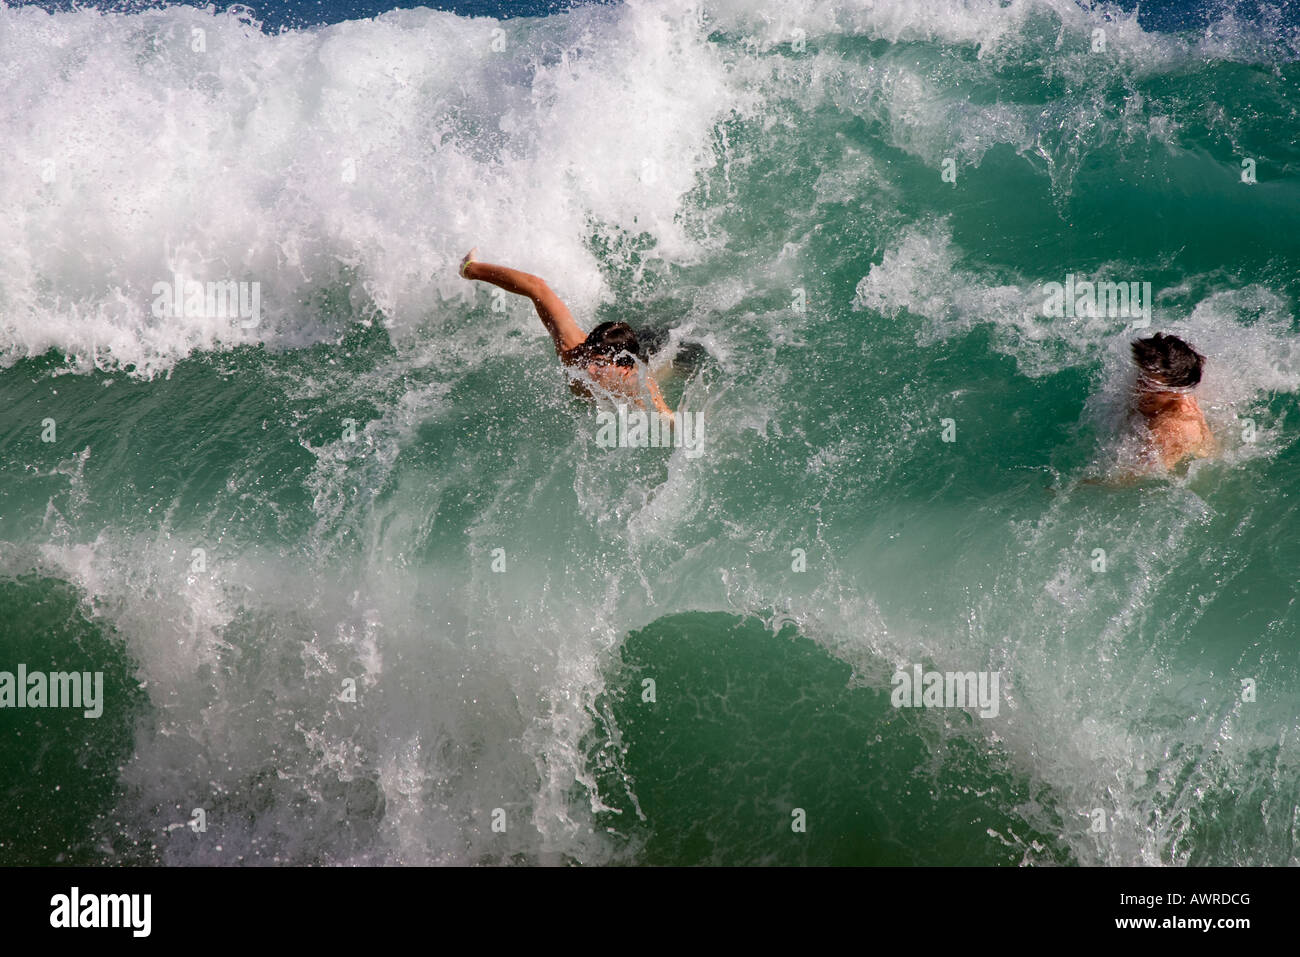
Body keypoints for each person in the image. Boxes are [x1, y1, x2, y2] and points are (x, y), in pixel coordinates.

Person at [459, 248, 673, 416]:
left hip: (658, 348)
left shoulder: (637, 386)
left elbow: (666, 419)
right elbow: (537, 288)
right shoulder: (574, 351)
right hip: (627, 341)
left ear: (623, 370)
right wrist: (471, 269)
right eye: (589, 357)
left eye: (598, 364)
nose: (587, 368)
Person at [1129, 332, 1215, 468]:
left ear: (1177, 391)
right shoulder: (1173, 383)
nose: (1144, 392)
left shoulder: (1171, 430)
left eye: (1157, 390)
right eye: (1144, 380)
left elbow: (1133, 481)